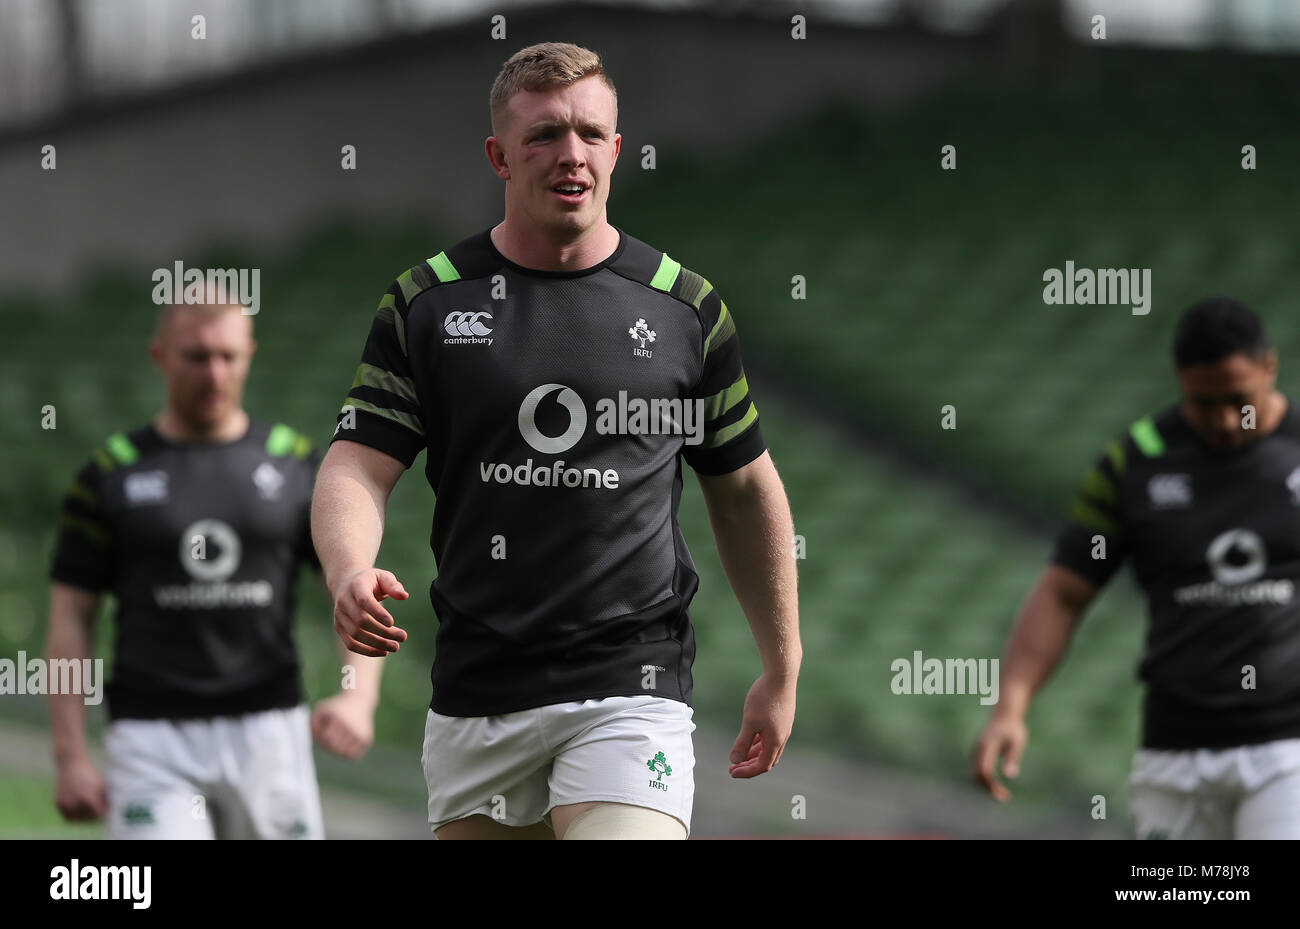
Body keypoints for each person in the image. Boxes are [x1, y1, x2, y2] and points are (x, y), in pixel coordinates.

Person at [312, 41, 802, 840]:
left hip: (631, 686)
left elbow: (745, 489)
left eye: (588, 133)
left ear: (615, 148)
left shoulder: (686, 308)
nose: (569, 154)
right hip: (478, 688)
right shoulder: (427, 303)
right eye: (542, 135)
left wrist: (782, 663)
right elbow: (357, 466)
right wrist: (348, 569)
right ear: (499, 156)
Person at [47, 297, 383, 839]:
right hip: (150, 737)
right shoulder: (109, 474)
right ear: (160, 356)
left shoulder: (295, 464)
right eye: (197, 357)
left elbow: (350, 585)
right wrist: (70, 757)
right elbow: (69, 621)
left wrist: (358, 698)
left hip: (269, 732)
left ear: (249, 354)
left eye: (228, 356)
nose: (215, 373)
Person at [971, 296, 1300, 839]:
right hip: (1173, 754)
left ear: (1270, 366)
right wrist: (1010, 707)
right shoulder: (1134, 462)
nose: (1222, 420)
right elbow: (1063, 592)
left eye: (1236, 400)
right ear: (1178, 380)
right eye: (1202, 402)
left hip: (1288, 751)